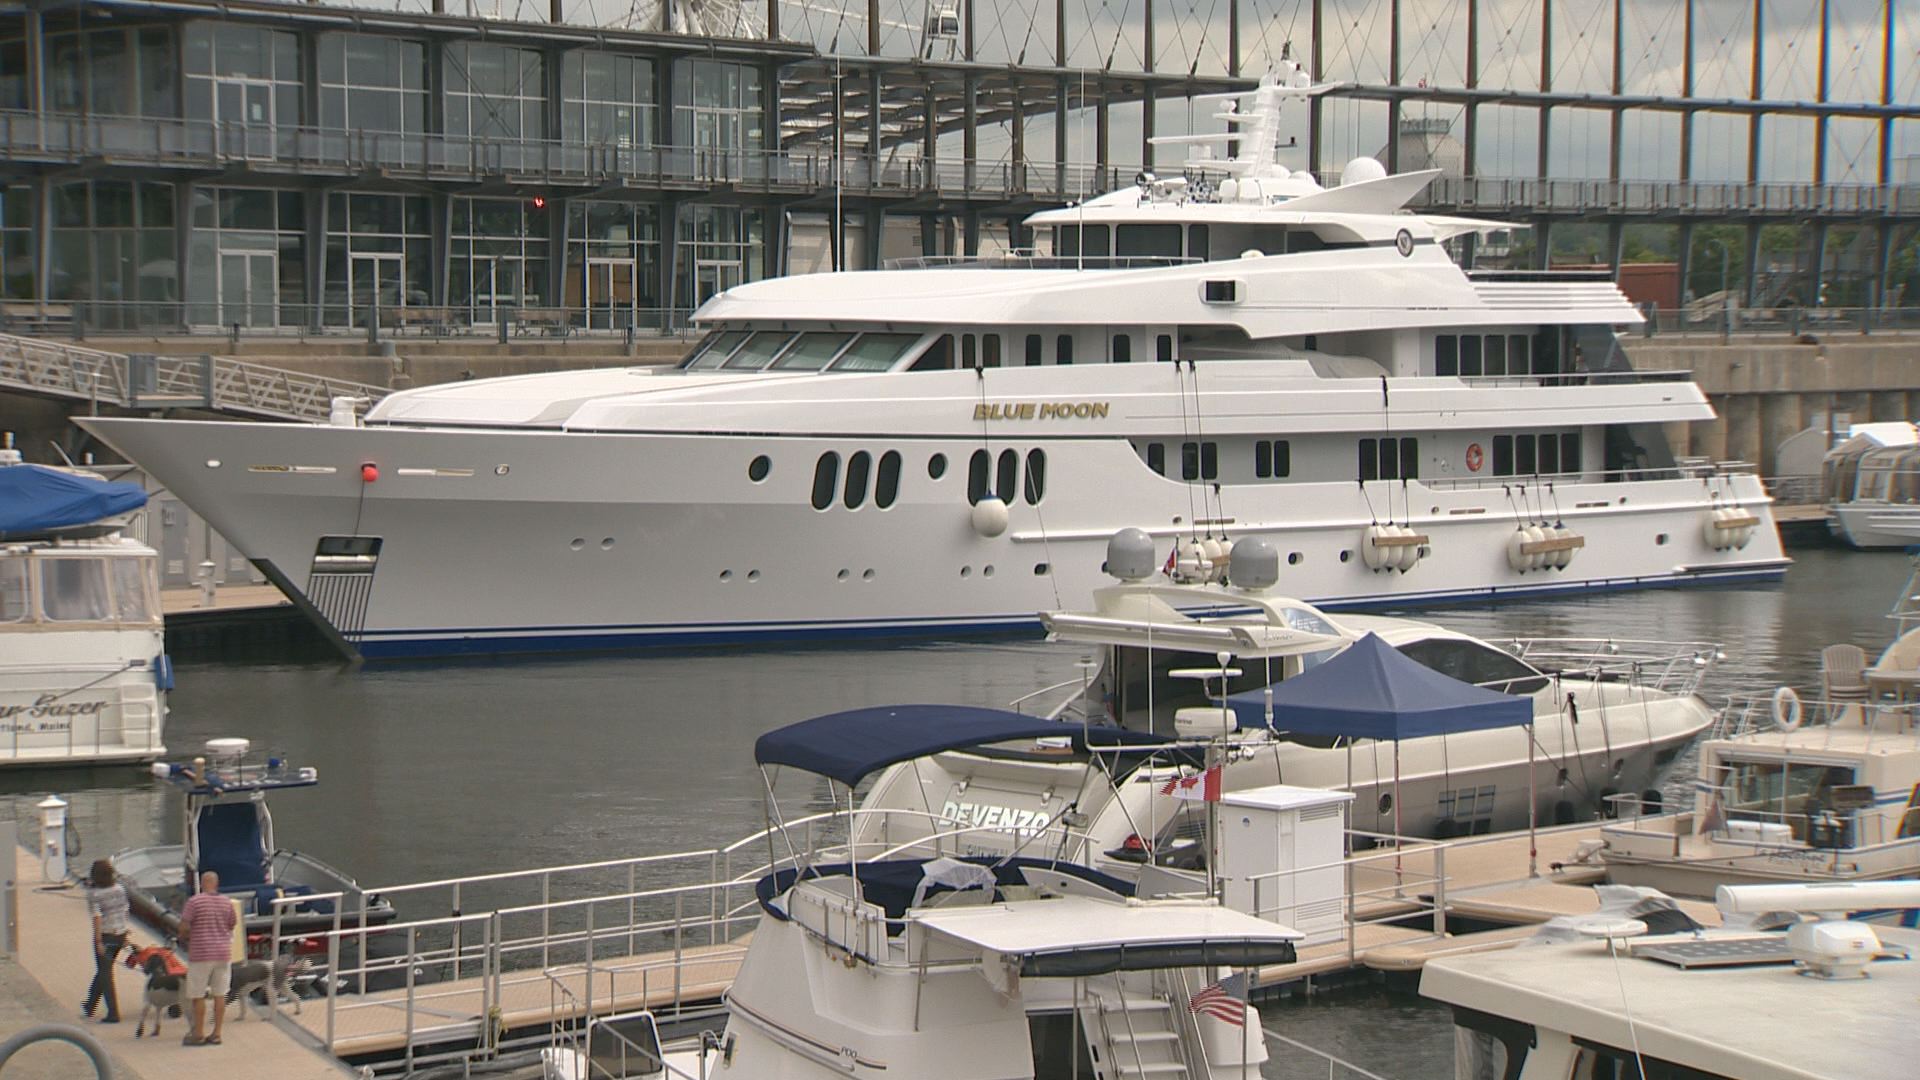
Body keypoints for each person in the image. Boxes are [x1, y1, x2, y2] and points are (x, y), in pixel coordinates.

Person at [178, 870, 237, 1046]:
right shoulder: (227, 902)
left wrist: (184, 937)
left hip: (201, 954)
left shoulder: (194, 902)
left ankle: (199, 1034)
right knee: (220, 994)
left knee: (198, 995)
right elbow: (232, 923)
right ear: (217, 884)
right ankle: (217, 1033)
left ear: (202, 884)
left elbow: (184, 927)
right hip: (223, 954)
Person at [82, 859, 129, 1023]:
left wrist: (98, 940)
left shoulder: (94, 894)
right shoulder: (120, 889)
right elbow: (124, 910)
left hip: (106, 935)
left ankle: (113, 1013)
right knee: (104, 968)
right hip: (120, 933)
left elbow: (97, 917)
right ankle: (90, 1004)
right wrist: (125, 934)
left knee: (105, 972)